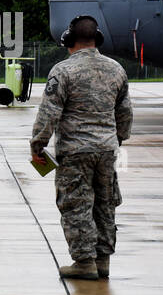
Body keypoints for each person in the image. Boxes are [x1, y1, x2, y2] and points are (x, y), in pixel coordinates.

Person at [30, 15, 133, 280]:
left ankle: (84, 262)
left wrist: (38, 145)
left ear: (69, 40)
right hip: (107, 150)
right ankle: (103, 261)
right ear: (96, 39)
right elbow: (125, 113)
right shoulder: (116, 69)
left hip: (75, 151)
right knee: (105, 204)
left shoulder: (62, 71)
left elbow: (49, 113)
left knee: (76, 205)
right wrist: (116, 139)